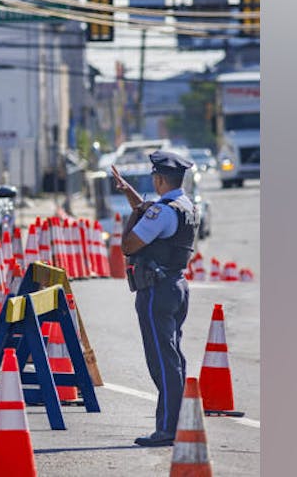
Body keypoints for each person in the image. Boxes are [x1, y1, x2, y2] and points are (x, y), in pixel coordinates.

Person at [111, 150, 199, 448]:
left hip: (156, 291)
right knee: (173, 357)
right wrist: (131, 195)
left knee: (161, 360)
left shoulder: (160, 212)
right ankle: (178, 422)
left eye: (154, 178)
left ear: (159, 179)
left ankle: (167, 429)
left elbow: (129, 244)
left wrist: (134, 213)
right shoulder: (184, 205)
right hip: (176, 286)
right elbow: (154, 212)